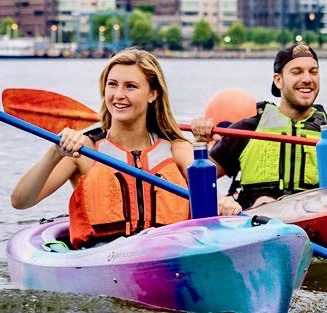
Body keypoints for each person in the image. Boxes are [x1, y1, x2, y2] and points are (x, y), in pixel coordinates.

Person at [11, 48, 194, 247]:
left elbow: (209, 196)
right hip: (100, 255)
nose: (118, 95)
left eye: (130, 87)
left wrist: (222, 202)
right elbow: (21, 201)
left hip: (167, 252)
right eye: (112, 85)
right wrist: (55, 152)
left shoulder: (177, 149)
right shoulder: (84, 150)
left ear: (152, 93)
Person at [190, 42, 327, 213]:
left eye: (313, 71)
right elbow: (200, 178)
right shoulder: (247, 129)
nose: (307, 79)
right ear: (278, 80)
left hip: (314, 219)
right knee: (264, 201)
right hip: (256, 222)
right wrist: (201, 143)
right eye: (297, 72)